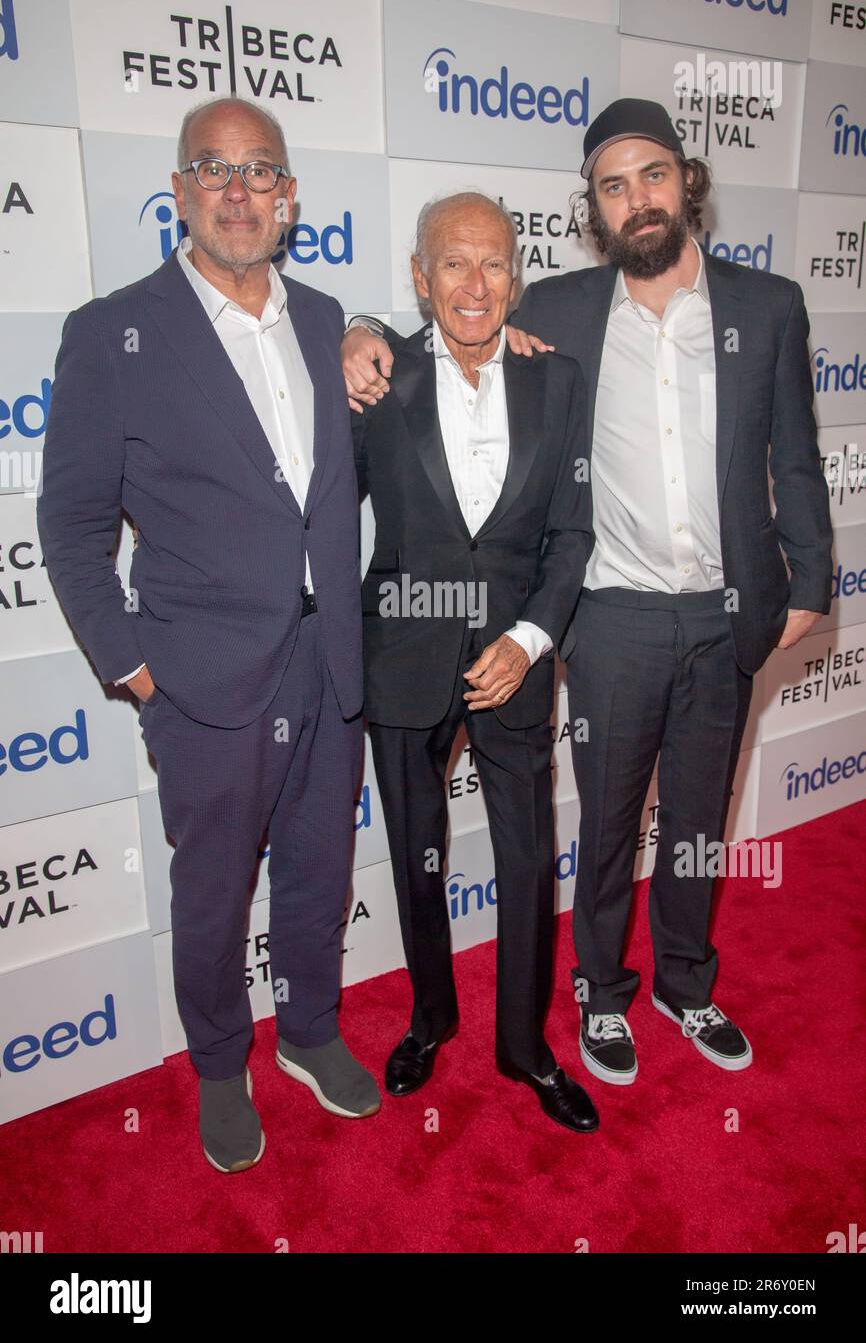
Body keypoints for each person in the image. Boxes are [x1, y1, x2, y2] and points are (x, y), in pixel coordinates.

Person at [341, 99, 833, 1090]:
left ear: (682, 181)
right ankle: (599, 993)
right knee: (604, 824)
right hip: (607, 616)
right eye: (612, 186)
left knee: (699, 821)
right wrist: (355, 327)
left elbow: (797, 452)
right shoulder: (557, 311)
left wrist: (810, 575)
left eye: (650, 175)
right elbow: (442, 330)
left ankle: (683, 981)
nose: (635, 198)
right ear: (594, 210)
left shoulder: (766, 305)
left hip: (724, 611)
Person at [37, 95, 378, 1174]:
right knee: (213, 892)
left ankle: (312, 1031)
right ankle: (221, 1068)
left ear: (288, 199)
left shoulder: (330, 320)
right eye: (213, 170)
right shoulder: (112, 334)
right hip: (201, 681)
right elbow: (72, 523)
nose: (239, 191)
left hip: (329, 666)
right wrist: (133, 667)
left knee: (320, 870)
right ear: (179, 193)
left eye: (260, 171)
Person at [351, 191, 598, 1133]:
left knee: (529, 856)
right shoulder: (376, 382)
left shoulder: (558, 381)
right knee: (418, 858)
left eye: (494, 263)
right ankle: (430, 1016)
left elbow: (573, 535)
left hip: (516, 658)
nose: (474, 282)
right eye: (453, 263)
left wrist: (529, 639)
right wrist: (359, 332)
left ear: (517, 279)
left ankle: (526, 1047)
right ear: (419, 277)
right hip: (404, 654)